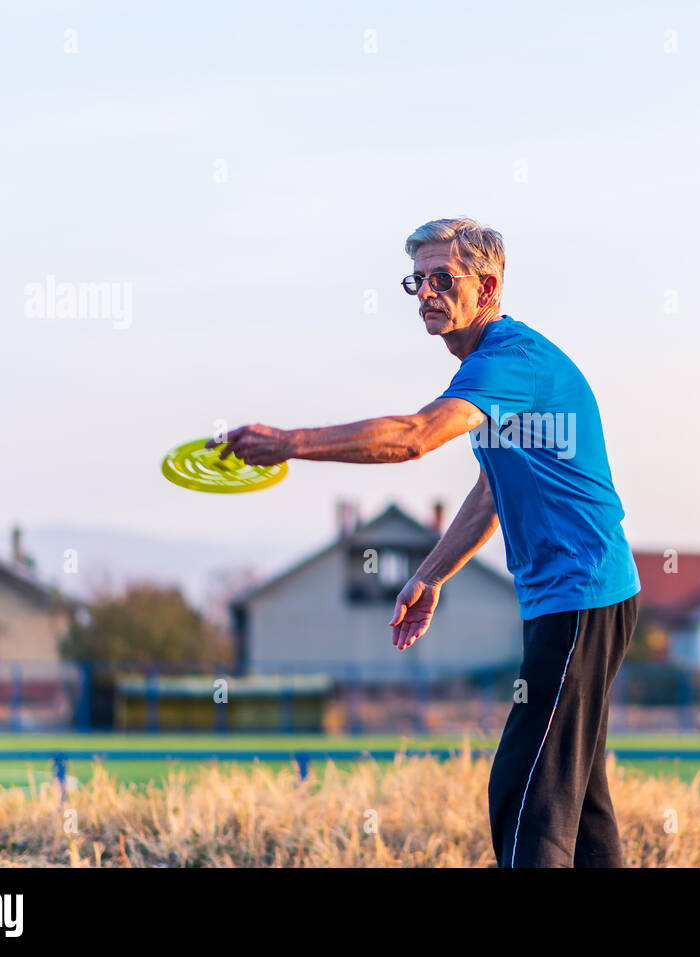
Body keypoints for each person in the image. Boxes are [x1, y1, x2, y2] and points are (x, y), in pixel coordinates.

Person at [212, 217, 640, 867]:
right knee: (578, 803)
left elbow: (413, 436)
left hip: (582, 595)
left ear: (488, 285)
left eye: (444, 279)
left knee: (528, 790)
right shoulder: (499, 369)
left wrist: (291, 443)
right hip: (581, 600)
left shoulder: (509, 362)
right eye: (419, 280)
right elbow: (493, 490)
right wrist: (433, 573)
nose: (427, 294)